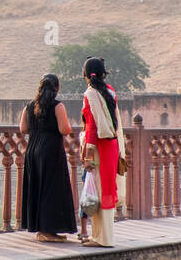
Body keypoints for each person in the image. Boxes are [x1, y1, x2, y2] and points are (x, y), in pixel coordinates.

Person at [19, 73, 77, 242]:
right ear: (57, 88)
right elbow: (64, 129)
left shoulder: (30, 106)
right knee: (51, 190)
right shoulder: (57, 106)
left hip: (33, 150)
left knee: (37, 188)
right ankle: (48, 231)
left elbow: (23, 128)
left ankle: (40, 228)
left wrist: (38, 130)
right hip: (50, 150)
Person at [80, 56, 124, 247]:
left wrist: (87, 155)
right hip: (111, 145)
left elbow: (91, 126)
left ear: (86, 74)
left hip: (98, 146)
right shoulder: (110, 91)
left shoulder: (90, 93)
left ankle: (102, 238)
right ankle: (100, 235)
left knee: (100, 190)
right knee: (106, 189)